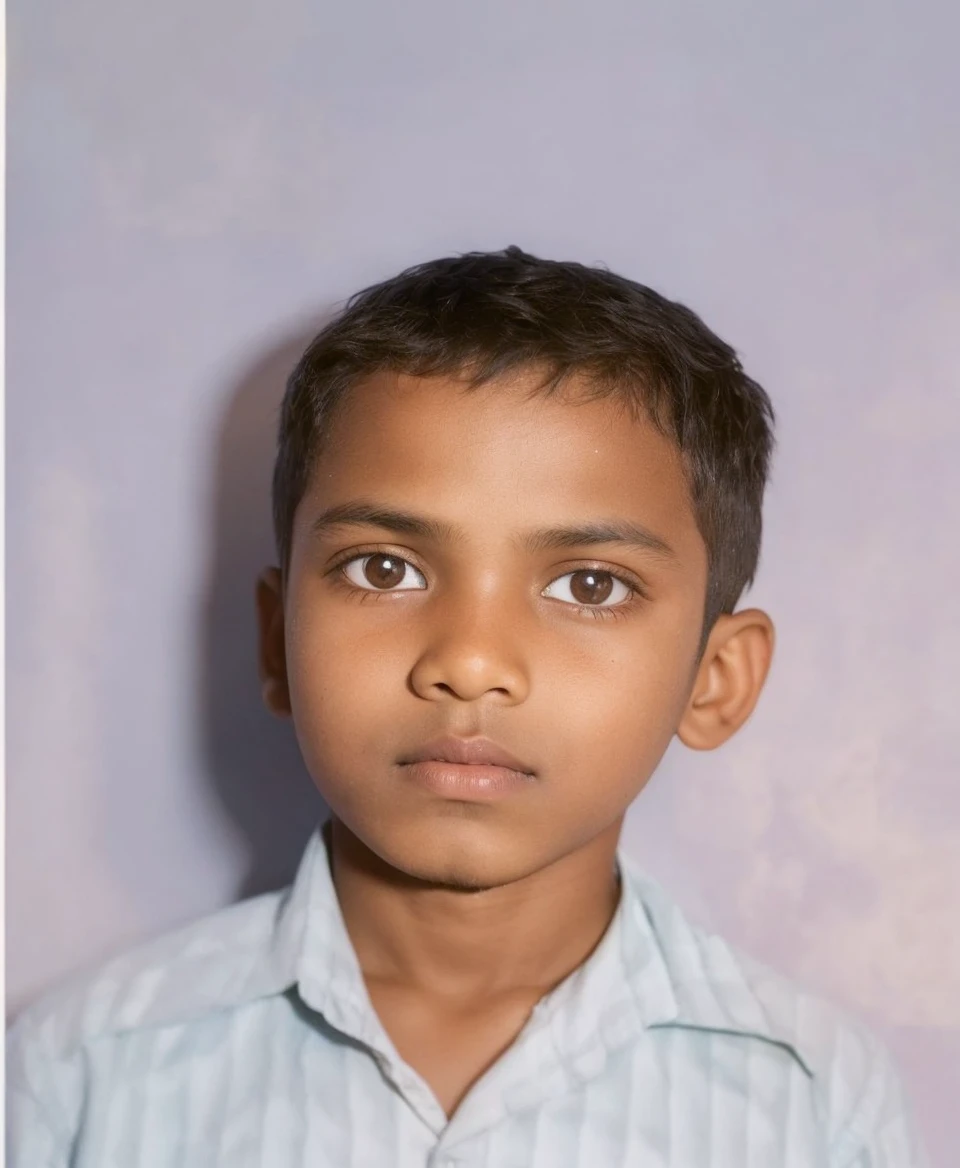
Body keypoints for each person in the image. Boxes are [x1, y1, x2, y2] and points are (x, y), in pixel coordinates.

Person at [6, 247, 928, 1166]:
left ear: (715, 678)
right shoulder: (82, 1076)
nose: (472, 662)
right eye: (385, 568)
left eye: (591, 586)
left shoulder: (814, 1109)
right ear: (275, 638)